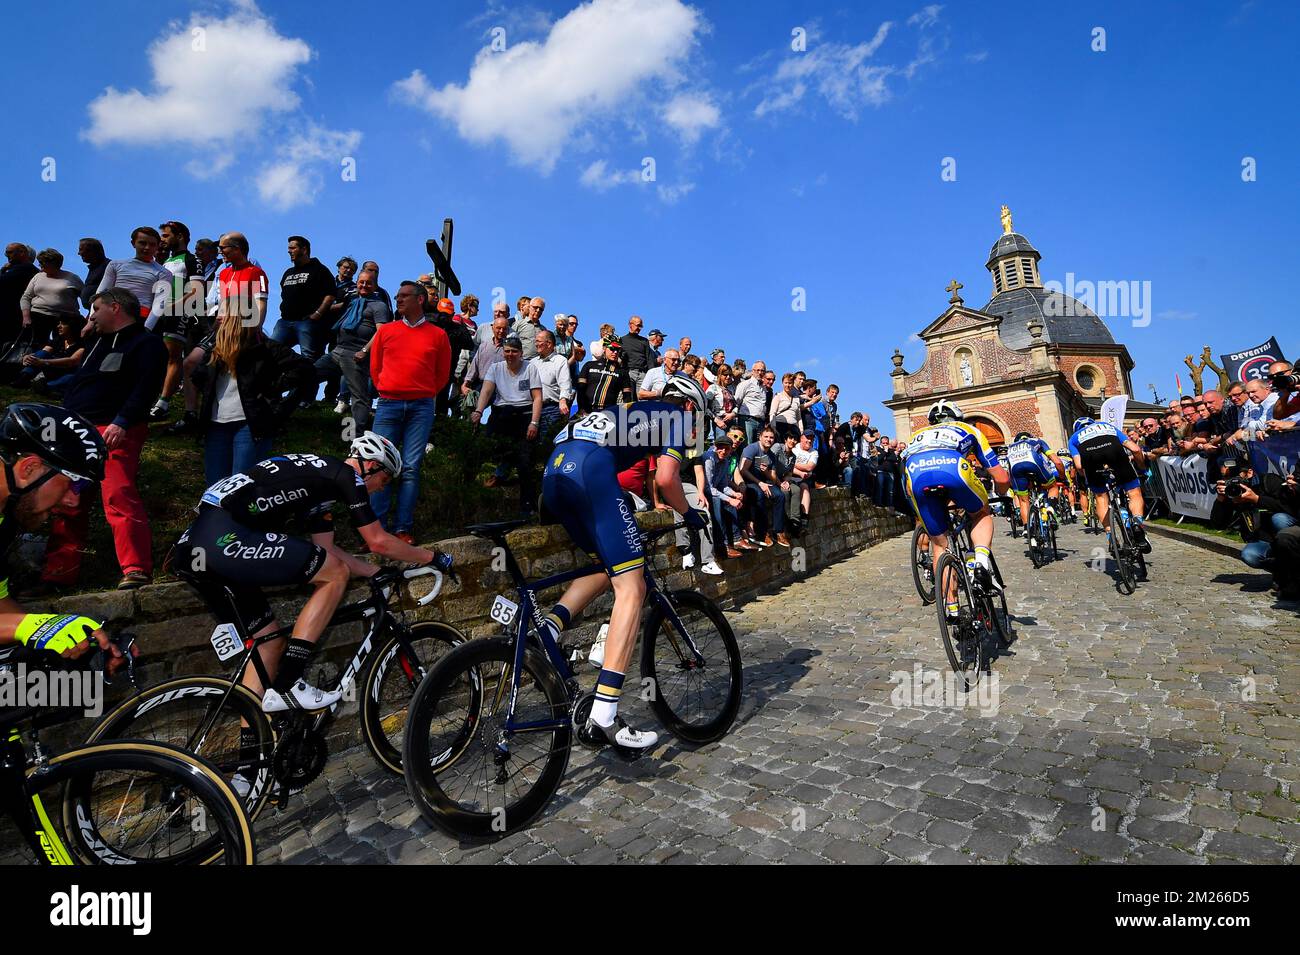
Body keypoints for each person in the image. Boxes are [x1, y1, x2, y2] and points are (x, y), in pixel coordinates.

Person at [169, 433, 448, 715]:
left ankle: (251, 751)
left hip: (197, 548)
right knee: (335, 574)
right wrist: (434, 557)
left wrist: (374, 571)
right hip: (225, 539)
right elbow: (377, 541)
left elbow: (325, 548)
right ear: (370, 466)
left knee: (270, 645)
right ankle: (289, 683)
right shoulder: (347, 476)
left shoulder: (321, 483)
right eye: (385, 481)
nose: (379, 489)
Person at [540, 375, 708, 752]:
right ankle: (604, 713)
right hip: (589, 471)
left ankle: (549, 628)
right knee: (632, 586)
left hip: (554, 471)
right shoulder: (677, 416)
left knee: (608, 564)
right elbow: (666, 479)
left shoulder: (631, 410)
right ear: (691, 405)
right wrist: (690, 513)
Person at [40, 288, 167, 591]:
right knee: (68, 501)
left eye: (95, 309)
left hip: (113, 430)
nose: (91, 315)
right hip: (75, 430)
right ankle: (58, 576)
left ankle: (136, 568)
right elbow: (79, 385)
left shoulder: (147, 343)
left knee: (118, 495)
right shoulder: (95, 343)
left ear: (115, 307)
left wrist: (122, 422)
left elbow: (147, 387)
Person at [0, 404, 133, 674]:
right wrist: (30, 628)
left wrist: (69, 635)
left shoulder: (5, 521)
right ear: (30, 468)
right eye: (75, 484)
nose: (74, 501)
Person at [901, 401, 1011, 620]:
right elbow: (1001, 477)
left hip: (915, 476)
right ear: (958, 419)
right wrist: (1002, 492)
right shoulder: (969, 429)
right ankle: (980, 561)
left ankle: (950, 606)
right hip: (953, 469)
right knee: (981, 513)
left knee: (940, 545)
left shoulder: (917, 434)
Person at [191, 304, 314, 484]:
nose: (218, 316)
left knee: (241, 486)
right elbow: (197, 377)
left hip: (249, 426)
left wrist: (274, 391)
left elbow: (305, 369)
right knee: (215, 487)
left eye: (223, 312)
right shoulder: (214, 348)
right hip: (216, 426)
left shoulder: (265, 348)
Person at [369, 281, 451, 543]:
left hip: (421, 407)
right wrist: (386, 387)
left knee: (411, 468)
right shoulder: (387, 331)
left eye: (404, 296)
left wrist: (423, 392)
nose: (399, 300)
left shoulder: (438, 335)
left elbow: (442, 374)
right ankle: (377, 529)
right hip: (388, 404)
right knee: (379, 465)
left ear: (420, 300)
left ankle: (402, 528)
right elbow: (375, 367)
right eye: (397, 296)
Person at [471, 335, 543, 515]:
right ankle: (486, 482)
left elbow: (537, 397)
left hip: (524, 414)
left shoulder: (530, 368)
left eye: (514, 351)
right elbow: (487, 391)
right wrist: (479, 411)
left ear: (521, 353)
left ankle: (528, 506)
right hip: (502, 414)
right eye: (507, 351)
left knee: (524, 460)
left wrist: (534, 422)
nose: (510, 355)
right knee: (485, 447)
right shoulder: (496, 368)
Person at [1068, 416, 1150, 553]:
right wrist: (1142, 467)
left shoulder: (1074, 438)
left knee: (1101, 498)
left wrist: (1089, 475)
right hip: (1115, 455)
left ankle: (1111, 537)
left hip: (1092, 460)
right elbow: (1135, 449)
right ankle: (1137, 522)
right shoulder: (1108, 426)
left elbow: (1078, 465)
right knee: (1134, 492)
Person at [271, 236, 336, 374]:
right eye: (289, 248)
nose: (289, 251)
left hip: (307, 322)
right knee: (270, 352)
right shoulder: (288, 272)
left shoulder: (320, 270)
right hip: (285, 321)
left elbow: (330, 295)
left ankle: (302, 394)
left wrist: (318, 314)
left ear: (304, 249)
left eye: (293, 248)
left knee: (309, 360)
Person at [1005, 430, 1065, 549]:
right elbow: (1057, 461)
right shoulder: (1037, 441)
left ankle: (1028, 528)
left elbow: (1008, 471)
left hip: (1016, 469)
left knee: (1023, 501)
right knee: (1052, 487)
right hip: (1034, 463)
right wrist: (1062, 478)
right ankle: (1050, 508)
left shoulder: (1010, 447)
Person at [20, 249, 83, 349]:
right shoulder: (38, 276)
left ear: (54, 263)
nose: (40, 266)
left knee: (62, 346)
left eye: (43, 263)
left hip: (65, 318)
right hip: (39, 315)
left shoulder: (72, 278)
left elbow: (84, 296)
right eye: (40, 263)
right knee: (36, 345)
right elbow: (26, 297)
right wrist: (26, 316)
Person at [576, 336, 634, 412]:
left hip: (608, 414)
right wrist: (581, 409)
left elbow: (627, 398)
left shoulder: (622, 372)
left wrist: (622, 417)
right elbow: (580, 390)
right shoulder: (589, 365)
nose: (615, 352)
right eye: (612, 349)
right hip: (587, 412)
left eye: (618, 349)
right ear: (604, 348)